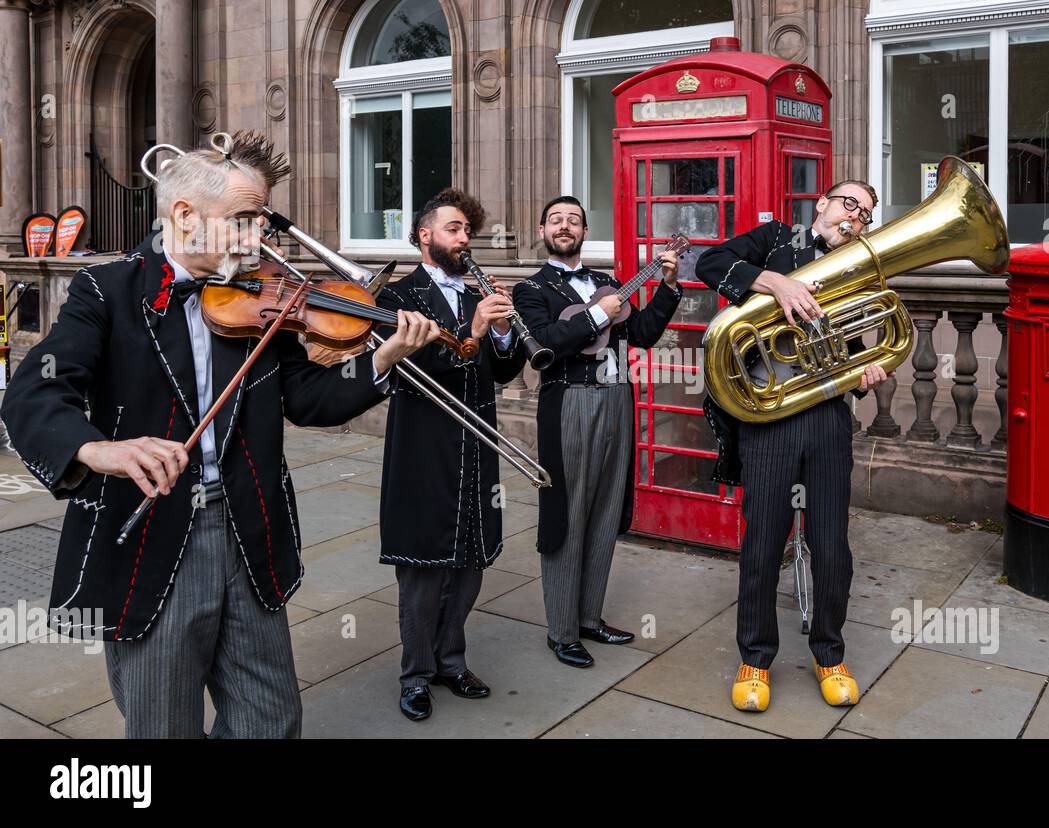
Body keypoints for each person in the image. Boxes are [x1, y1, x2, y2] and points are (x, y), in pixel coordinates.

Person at [0, 131, 441, 737]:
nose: (257, 239)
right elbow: (37, 391)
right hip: (152, 535)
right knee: (163, 724)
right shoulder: (107, 291)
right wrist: (96, 448)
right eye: (243, 220)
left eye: (261, 222)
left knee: (272, 718)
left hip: (247, 529)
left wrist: (383, 357)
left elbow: (309, 401)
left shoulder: (265, 297)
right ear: (185, 215)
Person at [694, 180, 889, 712]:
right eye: (849, 203)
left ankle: (829, 654)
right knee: (762, 546)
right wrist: (774, 283)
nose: (855, 217)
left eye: (866, 213)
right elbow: (708, 263)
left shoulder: (859, 263)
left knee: (833, 547)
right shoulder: (777, 237)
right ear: (822, 202)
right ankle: (755, 659)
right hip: (769, 416)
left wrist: (865, 371)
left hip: (826, 414)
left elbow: (857, 342)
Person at [376, 188, 526, 721]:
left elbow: (503, 372)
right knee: (422, 568)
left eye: (468, 231)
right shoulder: (398, 298)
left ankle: (451, 660)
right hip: (425, 446)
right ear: (425, 234)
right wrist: (477, 331)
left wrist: (504, 333)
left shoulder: (472, 294)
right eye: (454, 229)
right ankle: (415, 673)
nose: (465, 240)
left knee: (469, 561)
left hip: (477, 446)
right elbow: (413, 370)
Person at [511, 196, 680, 668]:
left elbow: (643, 334)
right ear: (543, 230)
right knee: (570, 509)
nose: (565, 226)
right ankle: (562, 630)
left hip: (617, 398)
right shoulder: (531, 289)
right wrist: (598, 315)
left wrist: (667, 287)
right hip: (569, 402)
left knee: (607, 507)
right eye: (556, 220)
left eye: (574, 220)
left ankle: (589, 616)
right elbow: (546, 343)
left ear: (585, 232)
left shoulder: (607, 283)